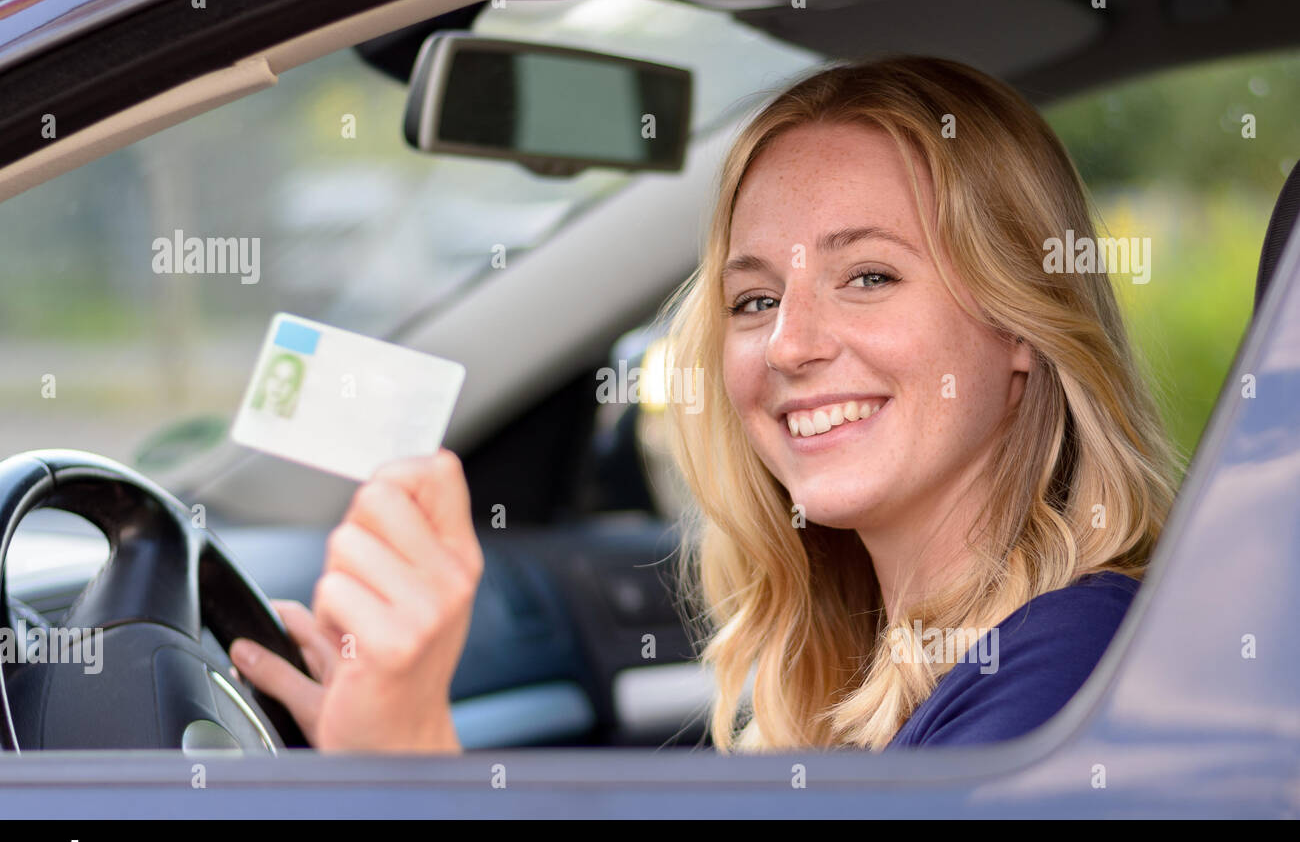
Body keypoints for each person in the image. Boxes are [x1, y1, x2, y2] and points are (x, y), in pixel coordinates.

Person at [230, 56, 1182, 753]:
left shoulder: (1065, 674)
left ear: (1021, 323)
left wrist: (409, 777)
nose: (791, 344)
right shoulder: (923, 666)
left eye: (869, 275)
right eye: (754, 299)